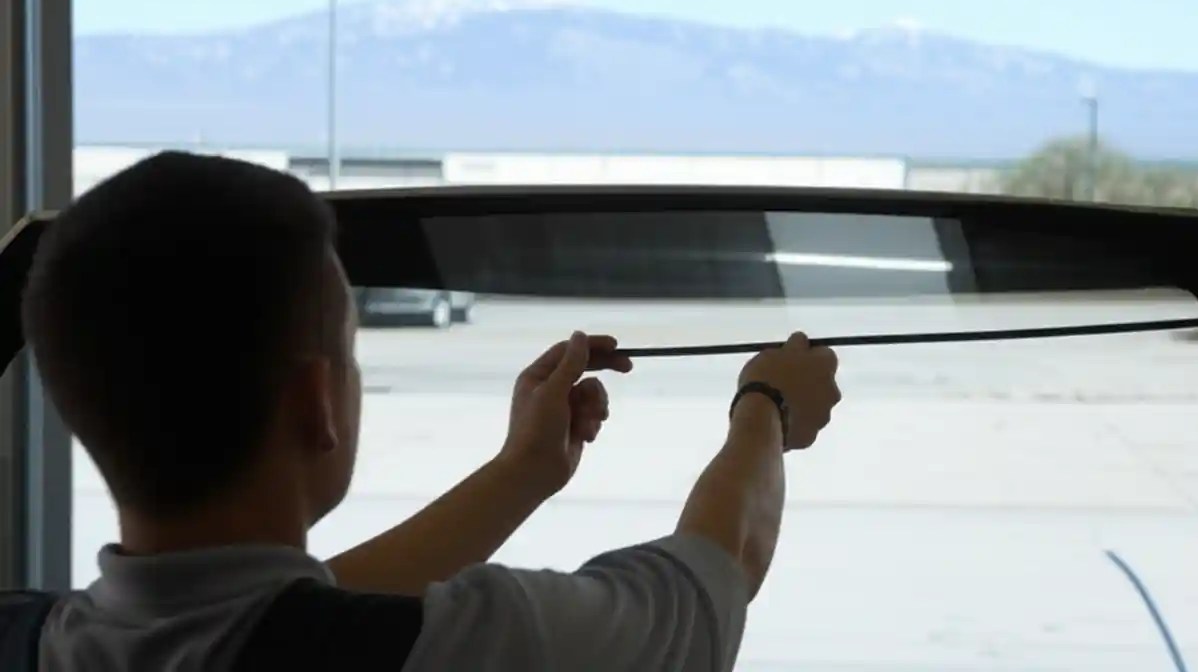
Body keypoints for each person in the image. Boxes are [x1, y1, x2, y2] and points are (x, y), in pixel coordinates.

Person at [21, 151, 842, 671]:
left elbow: (263, 617)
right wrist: (768, 406)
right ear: (318, 403)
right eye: (348, 351)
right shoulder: (461, 647)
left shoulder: (29, 635)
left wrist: (520, 472)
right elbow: (715, 576)